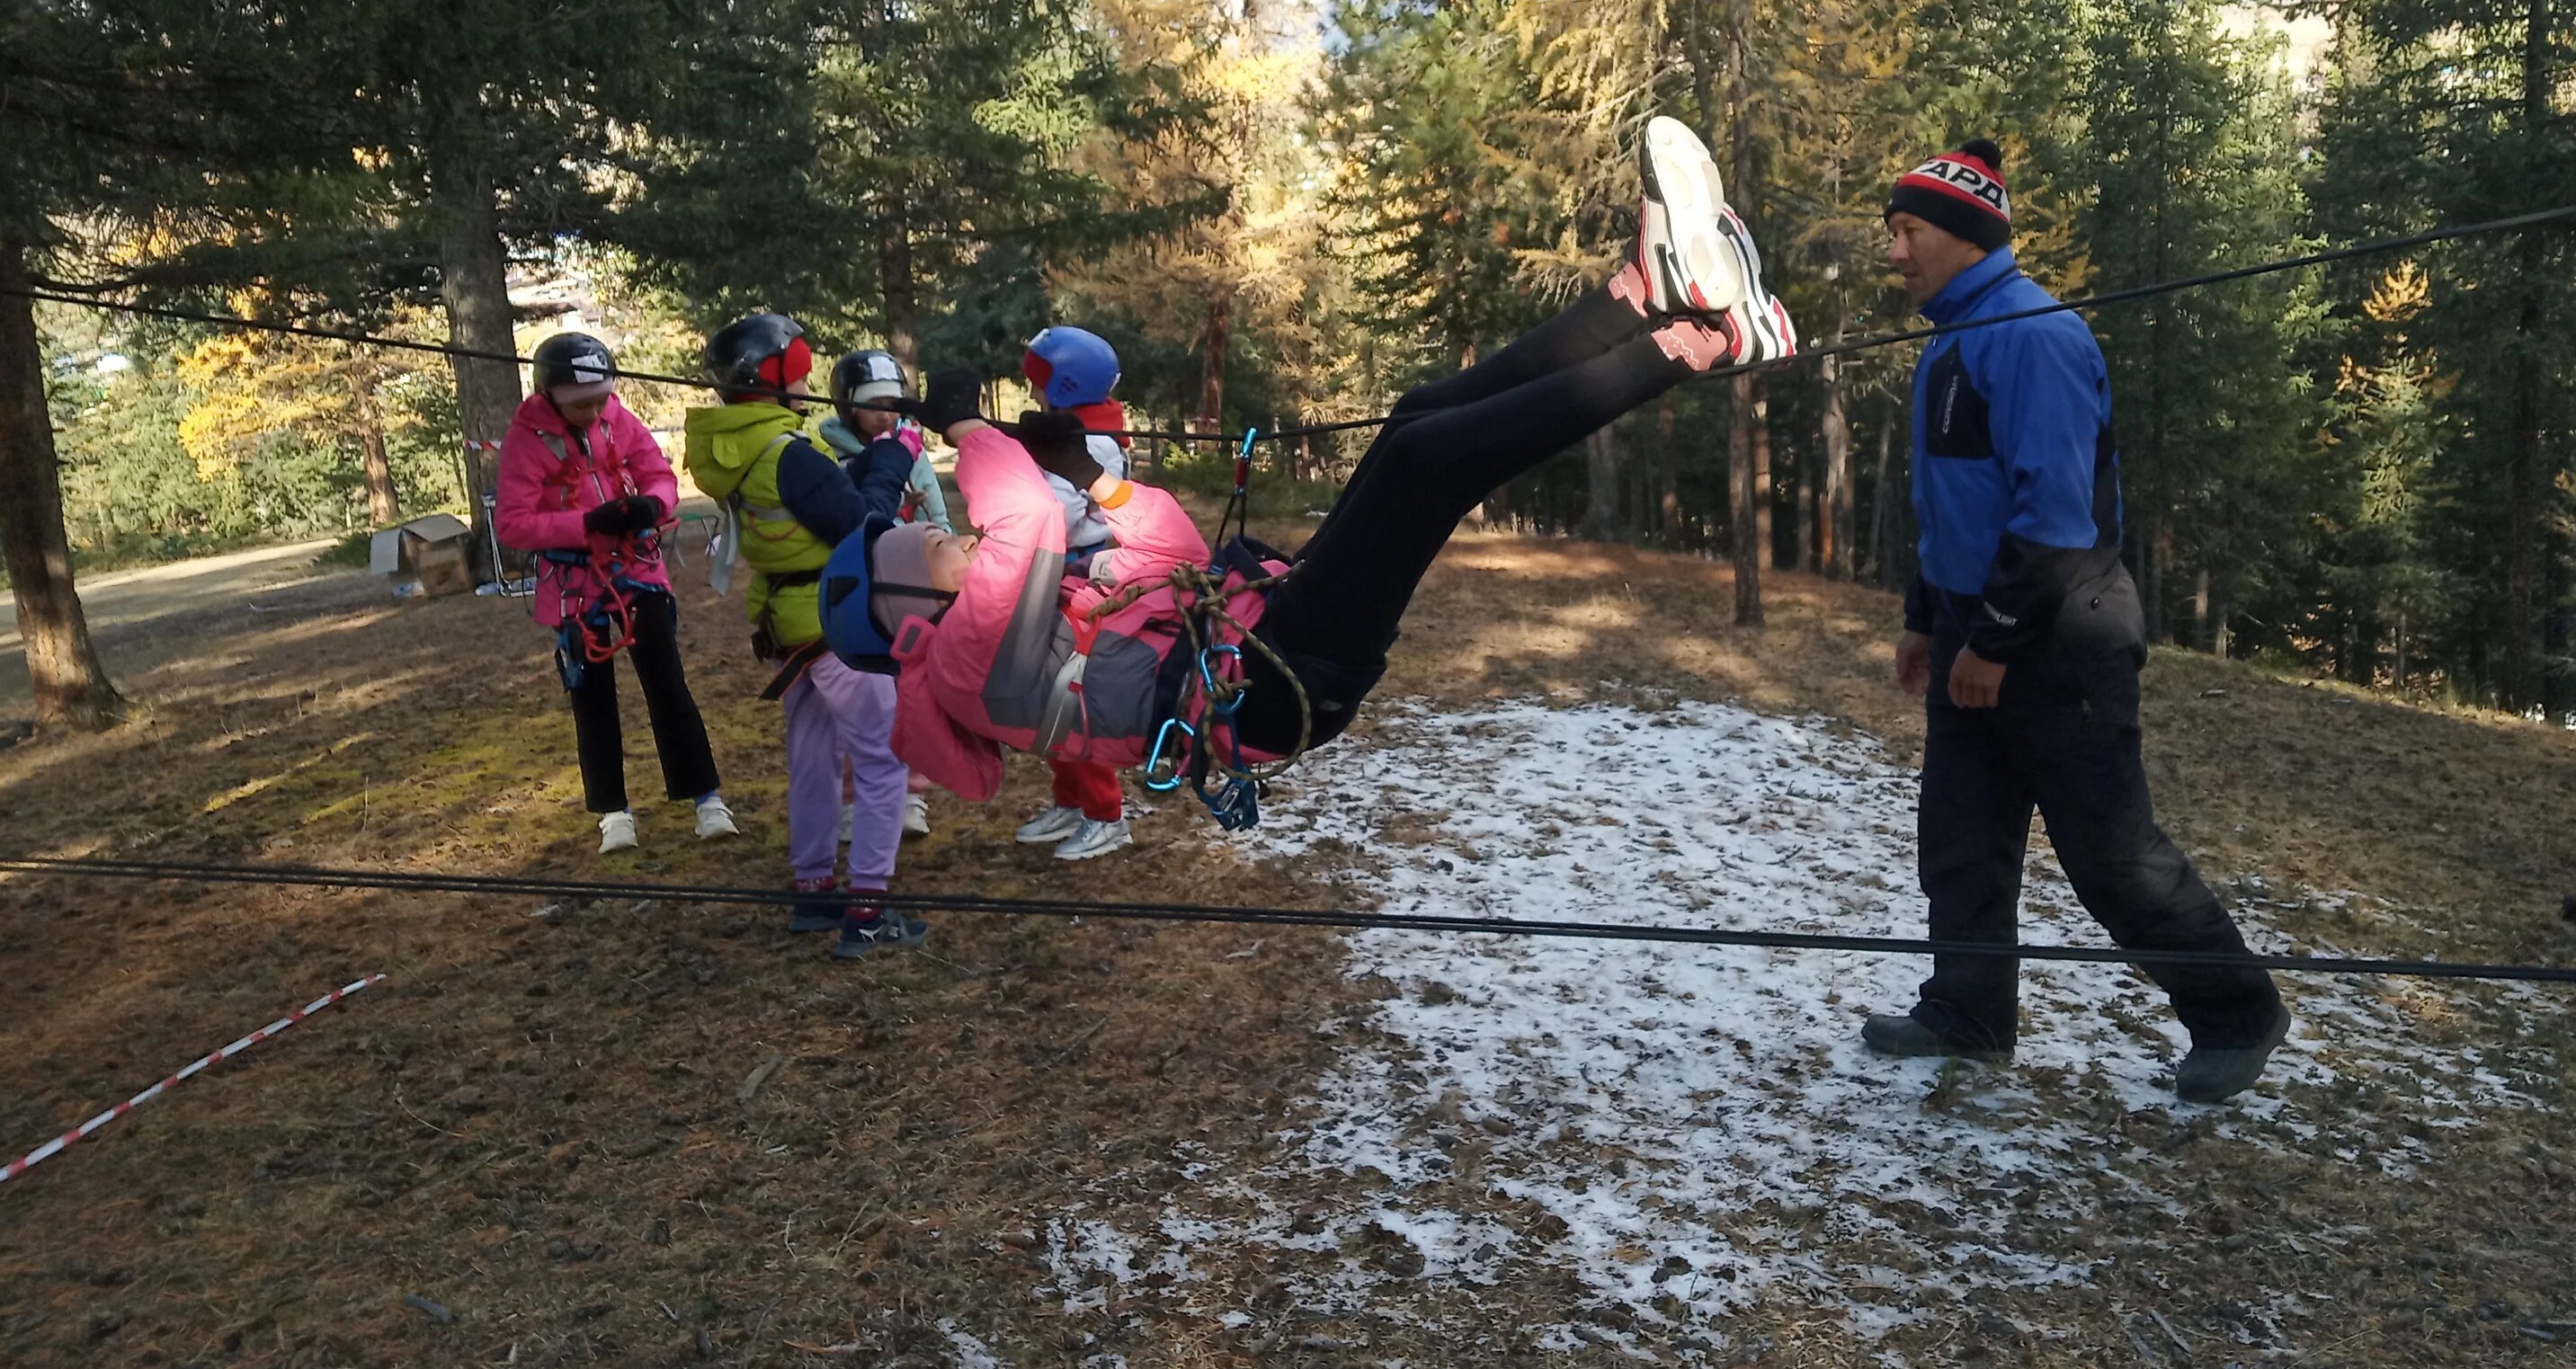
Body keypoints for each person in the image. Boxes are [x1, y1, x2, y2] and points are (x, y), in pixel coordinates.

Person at [848, 117, 1798, 864]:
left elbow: (1173, 553)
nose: (955, 537)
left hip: (1262, 643)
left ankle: (1638, 294)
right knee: (1429, 468)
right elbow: (1020, 520)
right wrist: (969, 429)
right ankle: (1708, 340)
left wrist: (1092, 479)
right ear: (907, 605)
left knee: (1415, 421)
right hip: (1267, 684)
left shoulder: (1012, 619)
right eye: (934, 548)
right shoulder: (963, 661)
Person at [1866, 139, 2290, 1104]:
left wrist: (1995, 639)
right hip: (1976, 626)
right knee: (1961, 839)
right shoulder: (1951, 339)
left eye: (1909, 231)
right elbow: (1952, 504)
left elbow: (2056, 515)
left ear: (1968, 236)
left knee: (2111, 854)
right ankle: (1969, 1012)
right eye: (1893, 231)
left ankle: (2238, 1012)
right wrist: (1927, 618)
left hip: (2061, 633)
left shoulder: (2036, 336)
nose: (1895, 253)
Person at [683, 314, 921, 961]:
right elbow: (865, 522)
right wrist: (896, 457)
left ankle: (814, 887)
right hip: (836, 621)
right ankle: (867, 909)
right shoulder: (787, 453)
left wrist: (874, 458)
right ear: (780, 372)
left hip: (790, 620)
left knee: (812, 755)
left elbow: (825, 497)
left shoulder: (742, 445)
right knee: (881, 759)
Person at [493, 333, 734, 857]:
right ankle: (613, 812)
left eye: (601, 399)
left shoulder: (617, 418)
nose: (593, 411)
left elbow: (658, 474)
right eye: (581, 404)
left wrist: (654, 505)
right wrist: (585, 525)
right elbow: (513, 523)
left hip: (637, 570)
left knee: (667, 683)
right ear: (550, 395)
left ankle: (706, 799)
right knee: (592, 698)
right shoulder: (527, 441)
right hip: (575, 587)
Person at [818, 348, 948, 844]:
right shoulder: (831, 459)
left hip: (911, 589)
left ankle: (911, 793)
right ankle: (855, 799)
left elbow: (936, 512)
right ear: (847, 405)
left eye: (893, 405)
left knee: (910, 694)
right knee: (859, 699)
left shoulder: (911, 451)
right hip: (860, 590)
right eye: (873, 405)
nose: (885, 415)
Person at [1019, 325, 1131, 561]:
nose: (1031, 396)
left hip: (1071, 559)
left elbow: (1061, 513)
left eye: (1037, 386)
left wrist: (1018, 540)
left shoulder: (1089, 443)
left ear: (1065, 389)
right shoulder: (1088, 433)